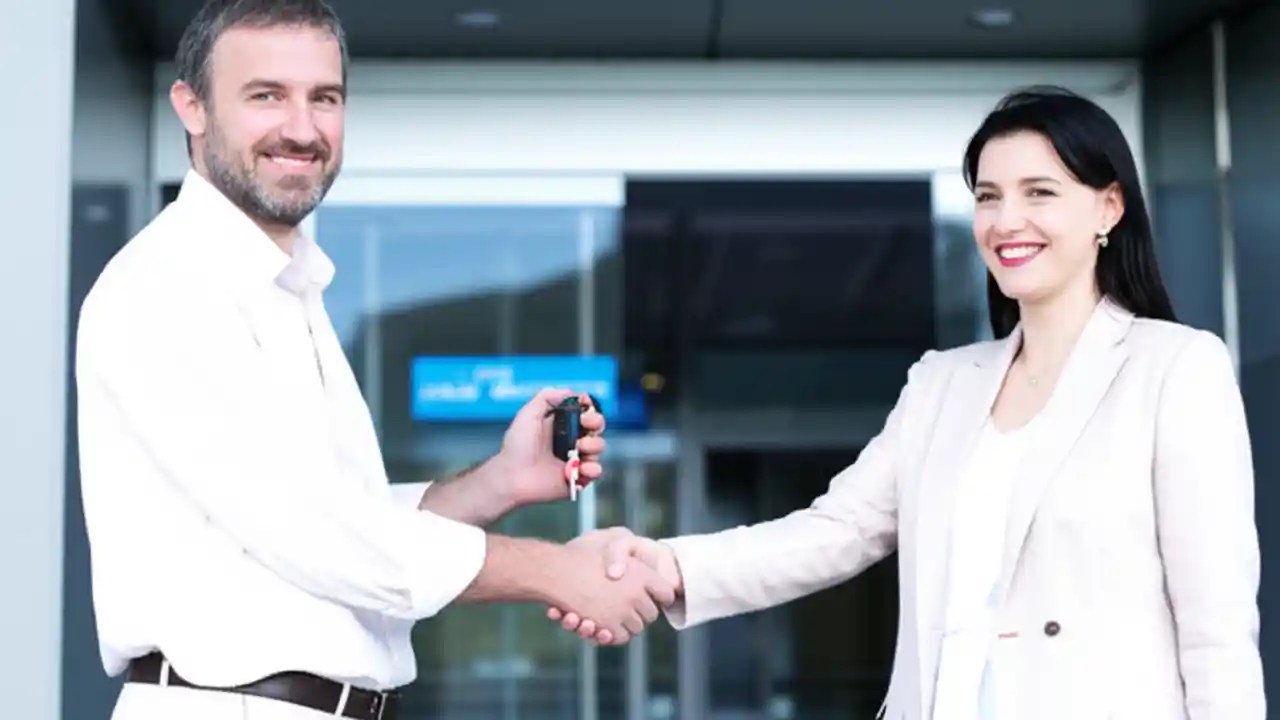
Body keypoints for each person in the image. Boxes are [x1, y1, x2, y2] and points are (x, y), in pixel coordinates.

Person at [551, 87, 1265, 719]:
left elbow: (1217, 626)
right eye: (988, 196)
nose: (1006, 220)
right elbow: (838, 529)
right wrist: (664, 566)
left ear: (1109, 206)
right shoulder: (942, 383)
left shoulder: (1174, 368)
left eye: (1039, 192)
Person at [74, 1, 675, 718]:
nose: (301, 129)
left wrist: (498, 484)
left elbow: (341, 517)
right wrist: (555, 571)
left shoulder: (289, 293)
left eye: (323, 98)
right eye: (266, 95)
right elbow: (318, 536)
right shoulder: (167, 287)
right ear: (192, 106)